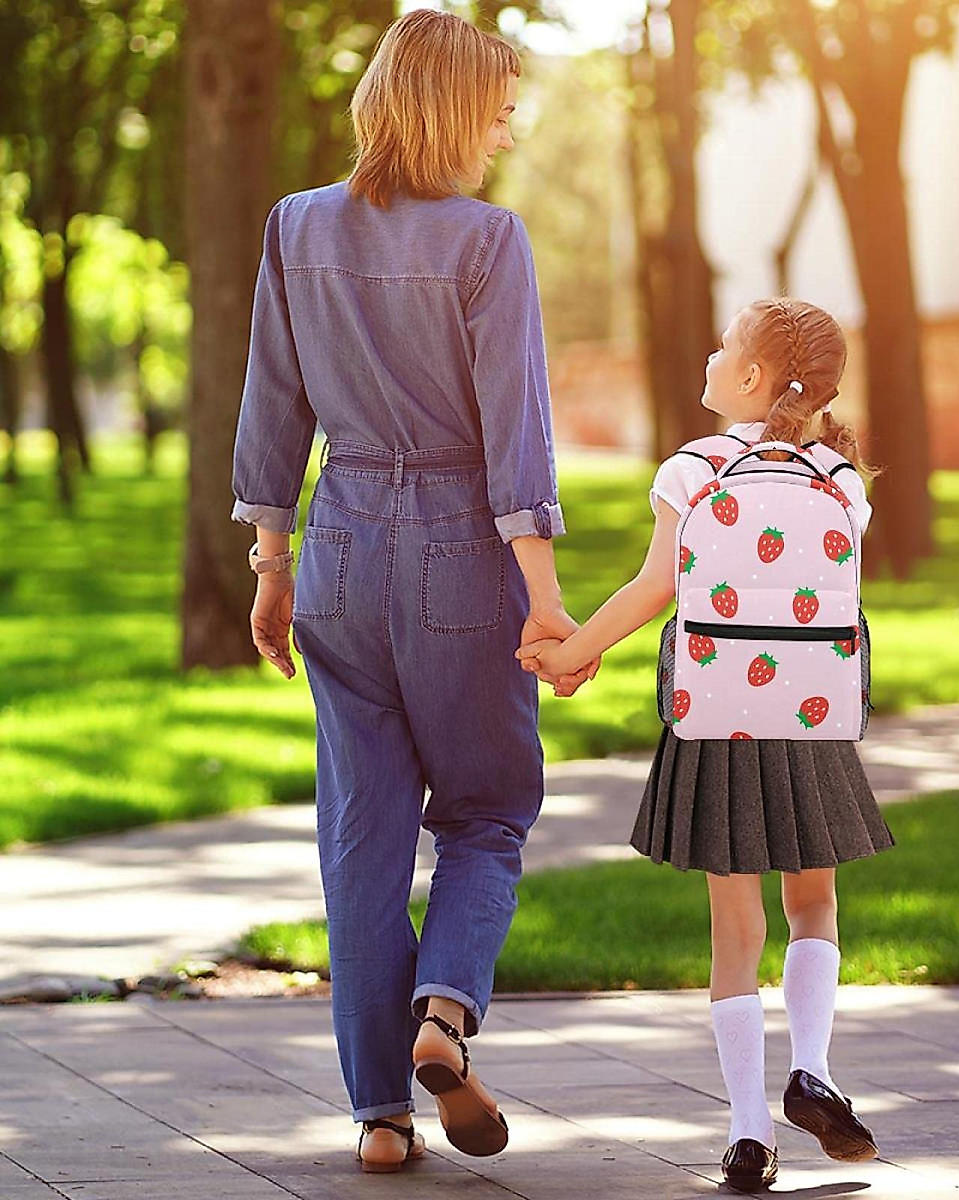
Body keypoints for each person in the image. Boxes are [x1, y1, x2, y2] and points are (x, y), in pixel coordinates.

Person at [229, 10, 597, 1174]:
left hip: (337, 545)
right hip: (458, 550)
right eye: (495, 106)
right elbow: (515, 440)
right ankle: (445, 1014)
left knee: (364, 835)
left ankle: (379, 1116)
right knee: (489, 809)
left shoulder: (295, 227)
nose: (504, 126)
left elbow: (272, 410)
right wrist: (545, 599)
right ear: (446, 107)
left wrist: (272, 566)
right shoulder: (490, 241)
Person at [519, 298, 894, 1192]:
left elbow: (656, 586)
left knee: (736, 932)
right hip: (810, 718)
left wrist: (572, 653)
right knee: (814, 907)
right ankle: (815, 1069)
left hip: (716, 713)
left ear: (754, 378)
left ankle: (749, 1132)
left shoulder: (694, 468)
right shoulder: (842, 479)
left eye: (725, 345)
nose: (711, 353)